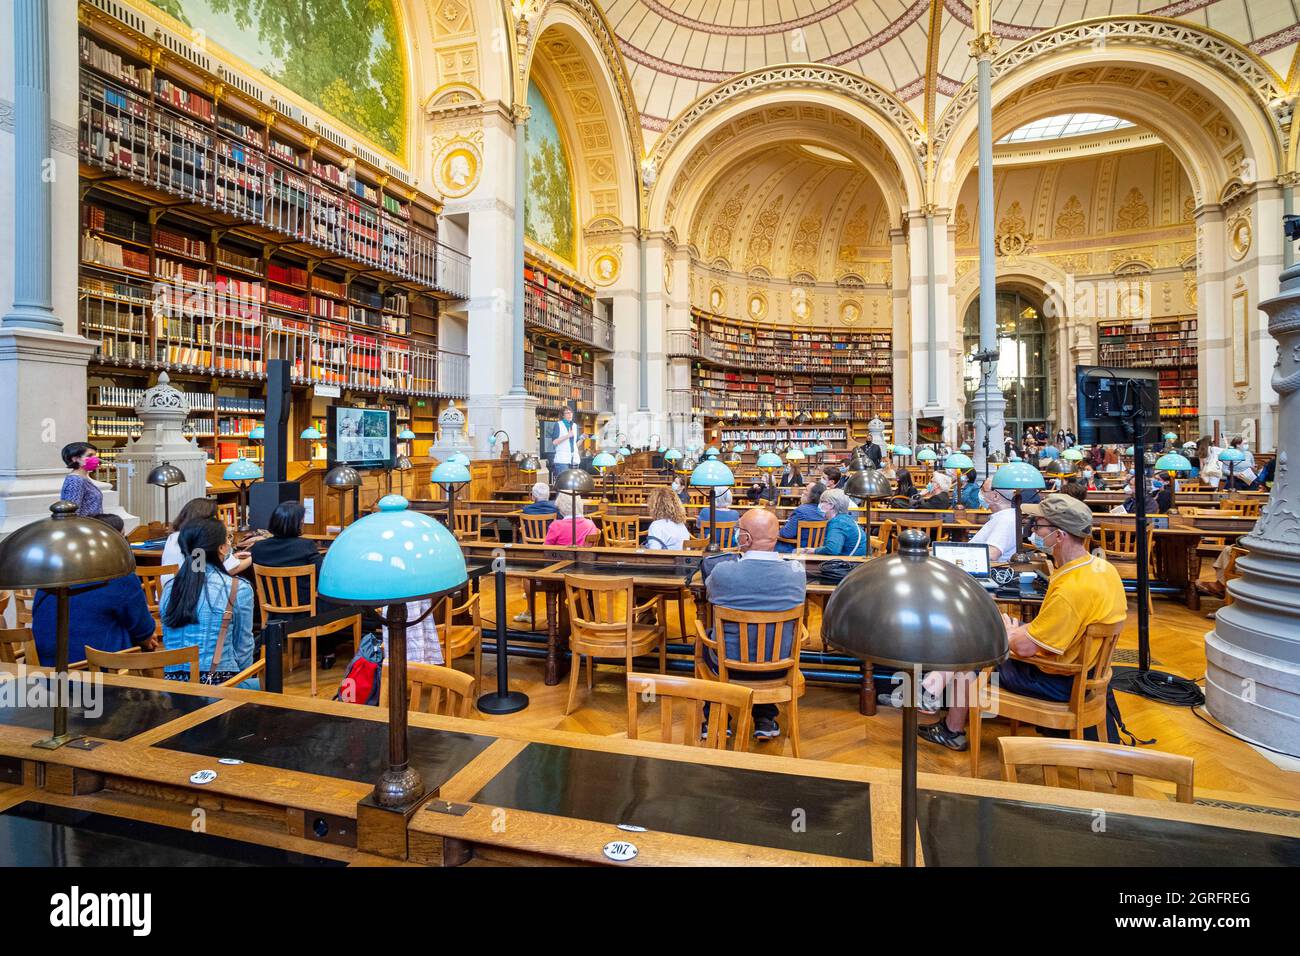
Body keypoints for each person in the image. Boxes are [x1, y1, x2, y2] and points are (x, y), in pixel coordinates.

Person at [917, 494, 1127, 751]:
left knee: (974, 657)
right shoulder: (1101, 569)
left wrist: (1009, 634)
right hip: (1083, 670)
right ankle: (934, 689)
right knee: (989, 635)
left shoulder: (1072, 589)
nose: (1034, 532)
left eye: (1038, 526)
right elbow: (1048, 628)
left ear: (1059, 535)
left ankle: (950, 726)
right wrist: (1015, 632)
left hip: (1059, 680)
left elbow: (1027, 648)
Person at [700, 508, 806, 740]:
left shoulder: (724, 572)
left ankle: (718, 719)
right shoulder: (797, 573)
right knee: (764, 643)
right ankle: (765, 719)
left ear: (745, 539)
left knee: (707, 637)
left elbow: (710, 592)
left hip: (730, 665)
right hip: (780, 664)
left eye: (739, 530)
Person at [31, 513, 157, 666]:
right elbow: (143, 631)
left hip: (44, 673)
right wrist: (147, 638)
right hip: (98, 676)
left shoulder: (53, 573)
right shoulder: (119, 576)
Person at [249, 501, 346, 668]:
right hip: (307, 613)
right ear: (297, 523)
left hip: (274, 611)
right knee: (336, 601)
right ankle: (327, 652)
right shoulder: (305, 546)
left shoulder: (258, 548)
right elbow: (323, 573)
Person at [160, 517, 257, 686]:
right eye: (227, 538)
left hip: (173, 686)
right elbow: (244, 649)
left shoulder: (169, 588)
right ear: (221, 548)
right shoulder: (238, 588)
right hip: (219, 685)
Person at [161, 497, 251, 587]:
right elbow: (229, 569)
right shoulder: (199, 539)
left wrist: (227, 557)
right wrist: (254, 557)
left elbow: (200, 565)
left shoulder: (173, 537)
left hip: (166, 591)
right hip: (188, 593)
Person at [969, 479, 1018, 562]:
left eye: (983, 490)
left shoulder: (1006, 520)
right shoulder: (1001, 517)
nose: (980, 492)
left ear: (995, 496)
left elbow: (991, 555)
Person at [813, 488, 866, 556]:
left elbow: (832, 550)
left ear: (831, 505)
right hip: (858, 562)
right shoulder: (845, 518)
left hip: (853, 563)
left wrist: (814, 551)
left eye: (822, 501)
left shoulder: (837, 522)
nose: (820, 504)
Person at [777, 481, 826, 553]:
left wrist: (778, 531)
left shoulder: (801, 510)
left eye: (806, 490)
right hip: (817, 549)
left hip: (798, 549)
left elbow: (786, 534)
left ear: (813, 495)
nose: (803, 491)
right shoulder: (825, 512)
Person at [59, 442, 104, 517]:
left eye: (95, 455)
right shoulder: (75, 481)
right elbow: (72, 512)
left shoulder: (83, 478)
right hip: (85, 526)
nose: (95, 459)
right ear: (75, 459)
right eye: (90, 455)